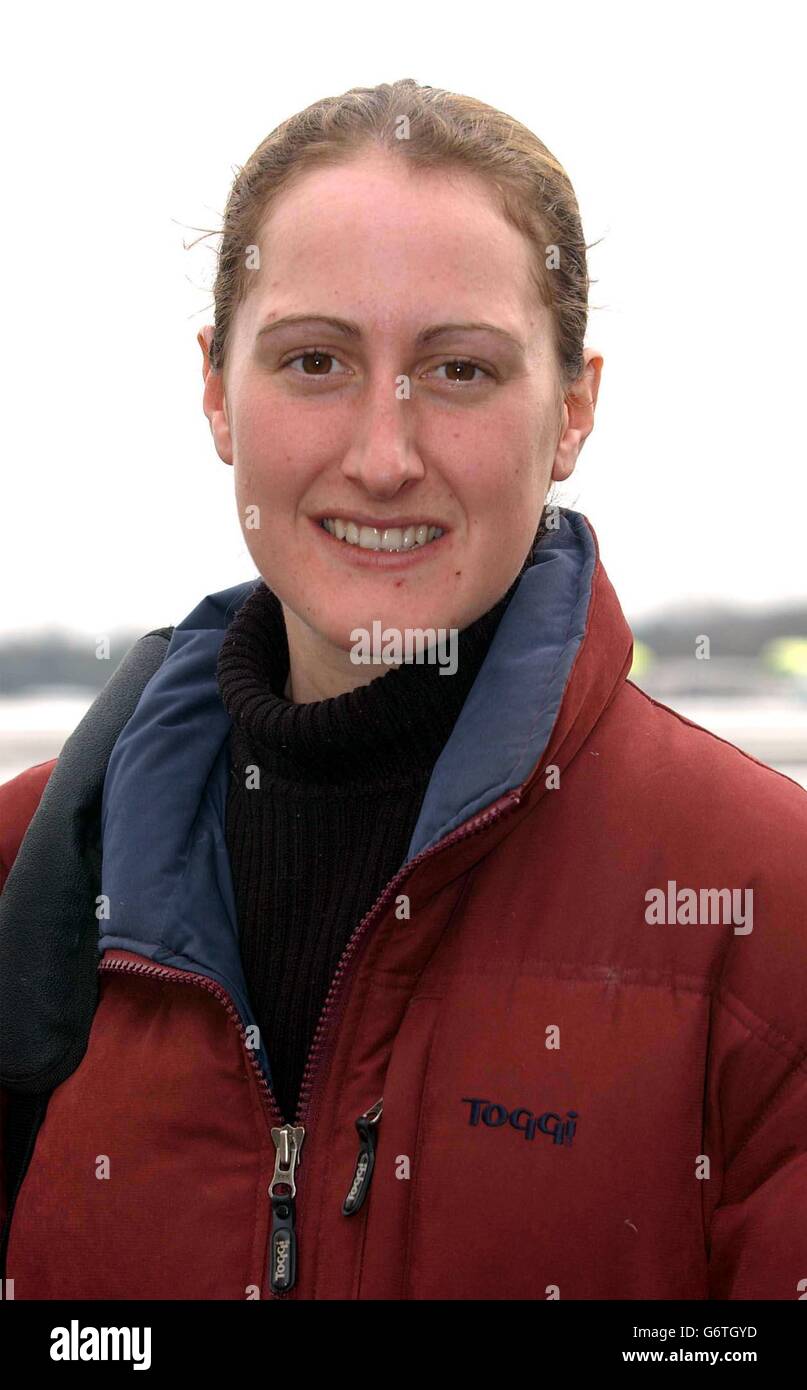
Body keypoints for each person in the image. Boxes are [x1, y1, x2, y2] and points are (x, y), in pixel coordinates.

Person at [1, 77, 806, 1302]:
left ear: (574, 409)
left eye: (463, 371)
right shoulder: (24, 870)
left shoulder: (768, 907)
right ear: (217, 388)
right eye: (315, 360)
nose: (384, 455)